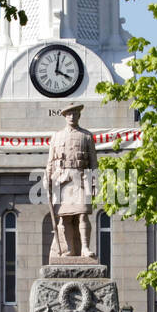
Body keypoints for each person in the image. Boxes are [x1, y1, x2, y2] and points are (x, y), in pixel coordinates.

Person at [45, 103, 98, 259]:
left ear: (79, 116)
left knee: (82, 214)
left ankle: (85, 248)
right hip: (62, 180)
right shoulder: (57, 136)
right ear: (65, 117)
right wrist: (47, 178)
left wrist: (94, 183)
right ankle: (69, 249)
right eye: (69, 114)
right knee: (66, 216)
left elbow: (94, 163)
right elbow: (50, 161)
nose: (72, 117)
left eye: (75, 114)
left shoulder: (87, 136)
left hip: (81, 178)